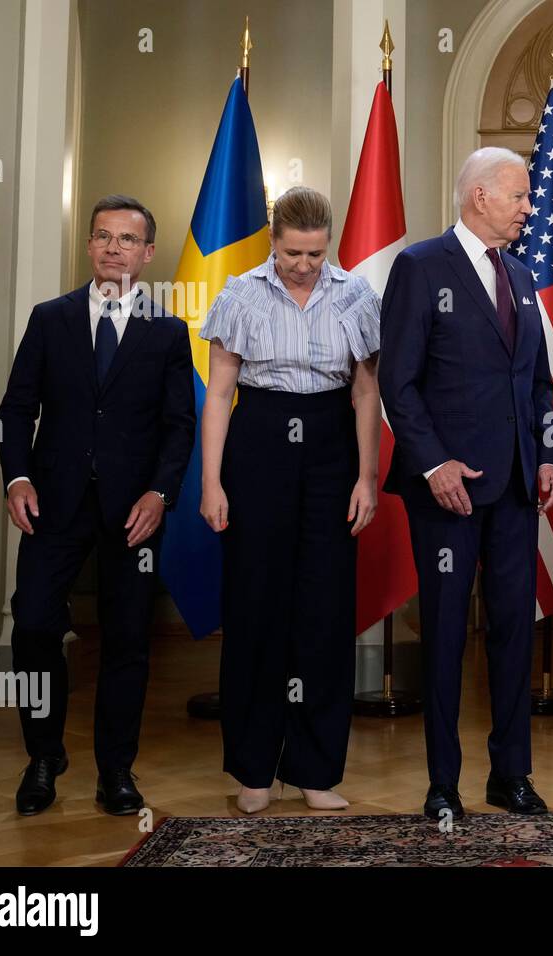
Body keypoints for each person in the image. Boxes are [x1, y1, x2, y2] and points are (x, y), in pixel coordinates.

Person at [378, 147, 553, 820]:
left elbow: (536, 380)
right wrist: (433, 463)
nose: (527, 207)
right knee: (448, 633)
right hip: (448, 494)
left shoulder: (520, 274)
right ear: (479, 196)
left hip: (518, 489)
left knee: (515, 630)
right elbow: (397, 382)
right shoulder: (420, 267)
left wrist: (549, 456)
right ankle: (443, 782)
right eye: (517, 196)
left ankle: (510, 774)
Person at [0, 194, 196, 816]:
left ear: (148, 253)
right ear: (88, 246)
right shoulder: (48, 319)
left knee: (129, 639)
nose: (115, 249)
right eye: (104, 238)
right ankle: (42, 756)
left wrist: (160, 494)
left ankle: (116, 768)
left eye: (128, 240)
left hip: (132, 513)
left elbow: (179, 426)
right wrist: (17, 479)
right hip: (52, 505)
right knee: (33, 624)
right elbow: (14, 411)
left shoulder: (167, 331)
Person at [199, 186, 381, 814]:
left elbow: (365, 393)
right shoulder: (241, 293)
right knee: (256, 606)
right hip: (259, 443)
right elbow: (220, 394)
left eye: (315, 253)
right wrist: (211, 482)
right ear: (272, 240)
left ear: (328, 243)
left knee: (324, 611)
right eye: (293, 252)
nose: (304, 265)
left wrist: (366, 476)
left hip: (333, 446)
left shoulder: (356, 293)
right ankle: (253, 770)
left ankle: (315, 769)